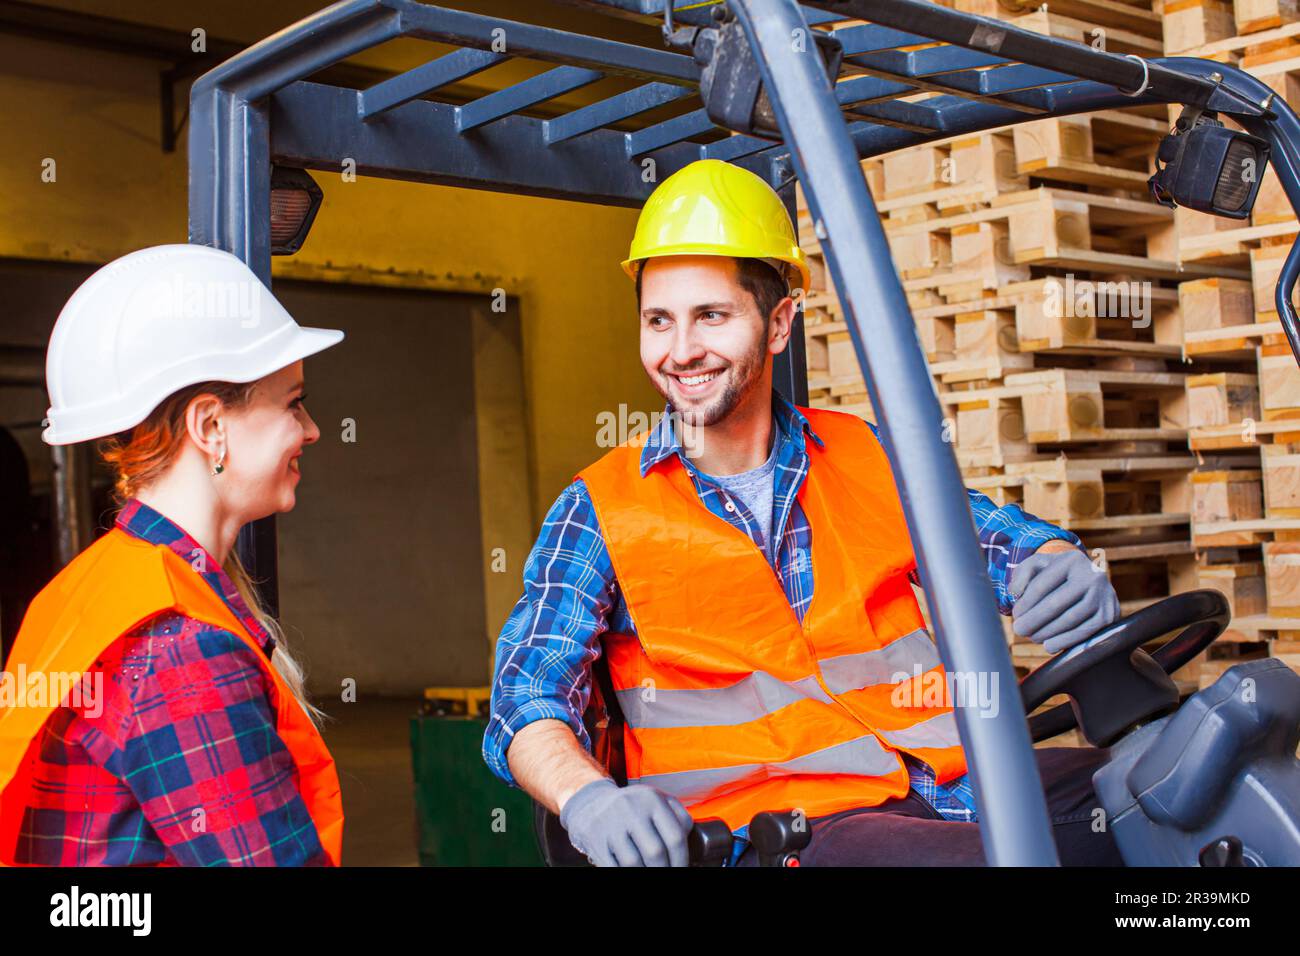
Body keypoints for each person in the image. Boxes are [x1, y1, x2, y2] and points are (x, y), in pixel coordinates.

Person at [483, 160, 1123, 867]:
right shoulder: (599, 510)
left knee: (1173, 793)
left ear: (780, 323)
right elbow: (525, 695)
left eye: (711, 316)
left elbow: (996, 541)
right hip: (778, 830)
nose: (680, 350)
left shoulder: (863, 455)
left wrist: (1058, 562)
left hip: (950, 784)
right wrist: (587, 798)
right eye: (658, 320)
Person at [0, 244, 345, 866]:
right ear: (210, 427)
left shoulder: (91, 587)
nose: (312, 429)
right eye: (292, 402)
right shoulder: (182, 648)